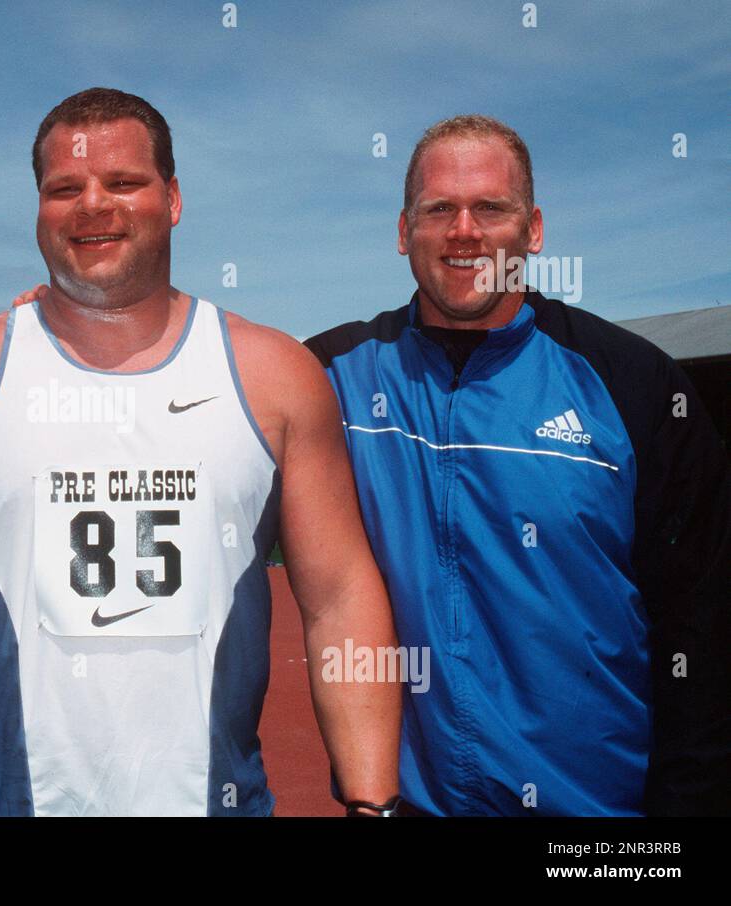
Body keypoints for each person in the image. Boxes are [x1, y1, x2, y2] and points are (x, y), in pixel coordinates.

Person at [0, 87, 401, 817]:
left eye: (123, 182)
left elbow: (339, 592)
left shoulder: (274, 374)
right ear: (38, 208)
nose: (93, 205)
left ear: (174, 198)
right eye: (65, 189)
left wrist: (373, 802)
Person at [305, 115, 731, 816]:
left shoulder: (635, 385)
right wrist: (71, 326)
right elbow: (203, 388)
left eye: (490, 208)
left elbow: (703, 631)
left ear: (532, 231)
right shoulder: (333, 376)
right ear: (403, 231)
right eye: (438, 208)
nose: (464, 230)